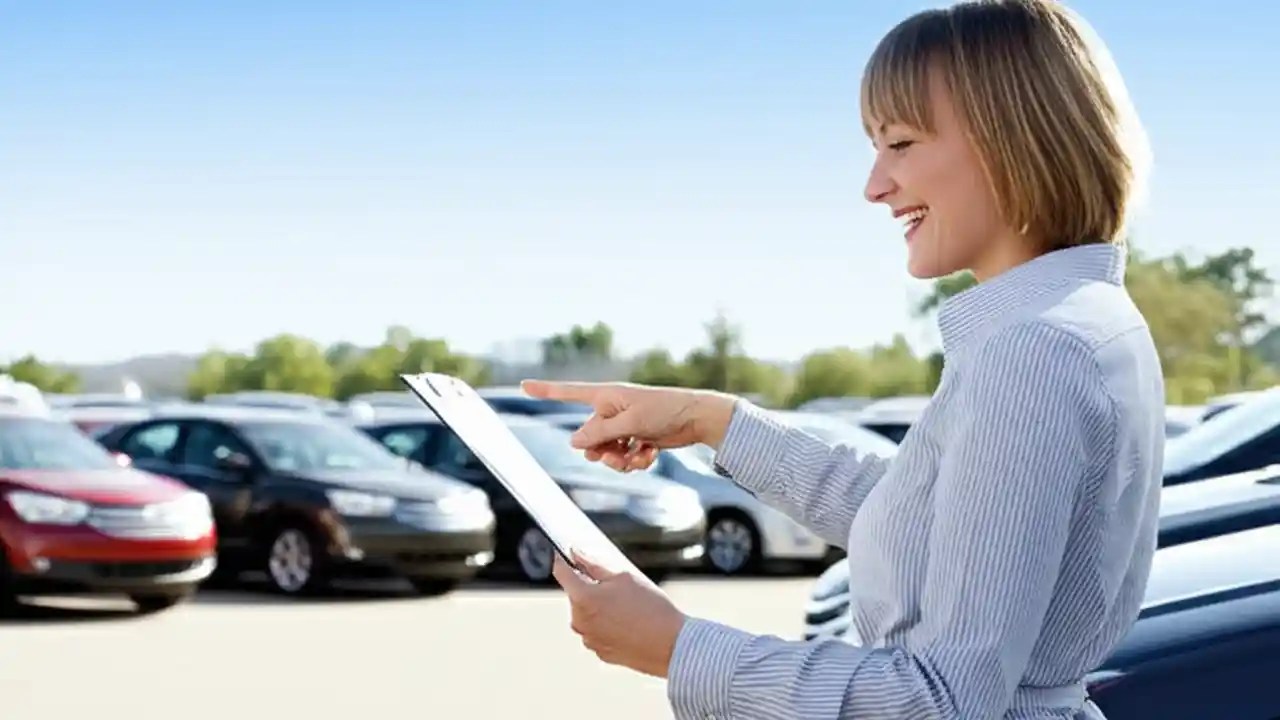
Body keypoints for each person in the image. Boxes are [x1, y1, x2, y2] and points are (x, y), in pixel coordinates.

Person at [525, 1, 1162, 718]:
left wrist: (678, 648)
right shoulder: (1085, 320)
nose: (874, 186)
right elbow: (930, 527)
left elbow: (941, 701)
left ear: (1013, 138)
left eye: (901, 144)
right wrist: (711, 420)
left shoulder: (1032, 353)